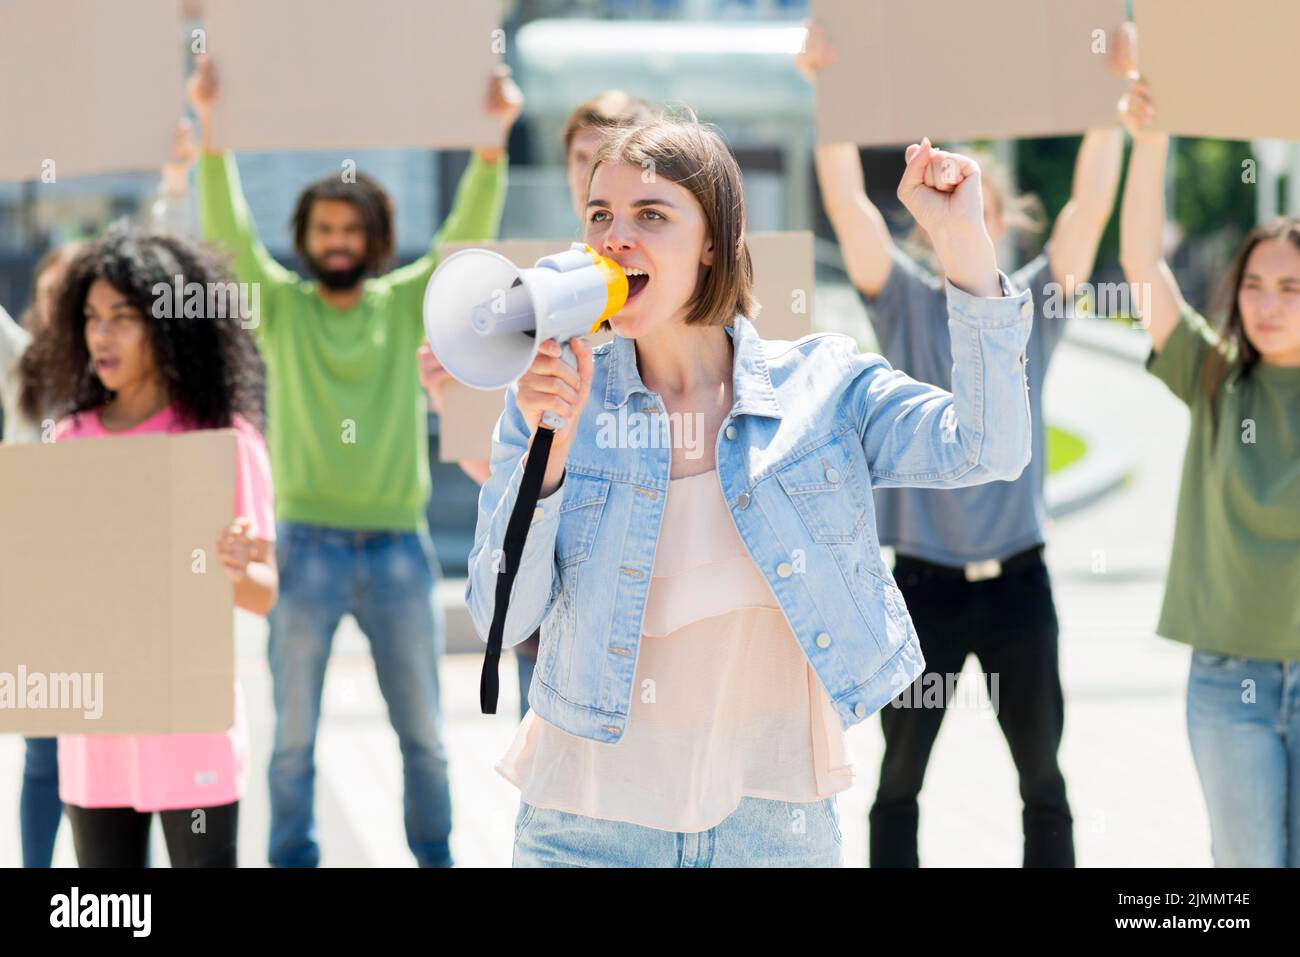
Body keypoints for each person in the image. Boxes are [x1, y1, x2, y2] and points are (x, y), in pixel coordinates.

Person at [467, 112, 1035, 867]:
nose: (615, 237)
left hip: (773, 831)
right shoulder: (552, 402)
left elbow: (989, 447)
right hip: (588, 826)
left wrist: (963, 241)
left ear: (712, 243)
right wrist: (551, 455)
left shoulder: (825, 386)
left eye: (651, 215)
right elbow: (497, 615)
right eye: (600, 214)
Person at [797, 20, 1131, 867]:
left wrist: (1111, 98)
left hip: (1020, 577)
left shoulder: (1028, 307)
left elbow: (1090, 209)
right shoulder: (905, 303)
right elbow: (846, 205)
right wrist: (828, 88)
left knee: (1042, 778)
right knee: (898, 780)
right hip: (923, 582)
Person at [189, 54, 520, 867]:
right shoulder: (281, 308)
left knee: (423, 737)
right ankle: (293, 859)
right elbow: (227, 234)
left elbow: (461, 241)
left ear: (373, 241)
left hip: (397, 550)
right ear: (305, 240)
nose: (338, 243)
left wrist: (492, 145)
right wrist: (209, 133)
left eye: (352, 231)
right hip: (302, 547)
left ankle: (434, 856)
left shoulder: (408, 301)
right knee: (292, 740)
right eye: (325, 231)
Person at [18, 225, 275, 867]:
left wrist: (235, 566)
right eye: (91, 318)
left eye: (122, 318)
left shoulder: (223, 440)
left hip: (194, 735)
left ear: (167, 327)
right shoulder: (68, 442)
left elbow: (263, 595)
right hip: (98, 742)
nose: (101, 334)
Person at [420, 88, 657, 721]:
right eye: (583, 158)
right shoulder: (536, 288)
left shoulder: (656, 289)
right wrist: (449, 401)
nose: (591, 172)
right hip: (557, 607)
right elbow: (506, 486)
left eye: (611, 154)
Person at [3, 119, 199, 867]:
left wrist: (176, 182)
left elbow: (161, 267)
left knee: (125, 764)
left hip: (129, 595)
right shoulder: (25, 370)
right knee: (47, 757)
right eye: (62, 301)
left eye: (87, 304)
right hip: (47, 592)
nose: (77, 320)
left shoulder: (135, 387)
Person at [1119, 78, 1300, 868]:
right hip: (1229, 685)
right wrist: (1150, 134)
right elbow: (1137, 261)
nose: (1268, 303)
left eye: (1291, 287)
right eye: (1254, 284)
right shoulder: (1215, 373)